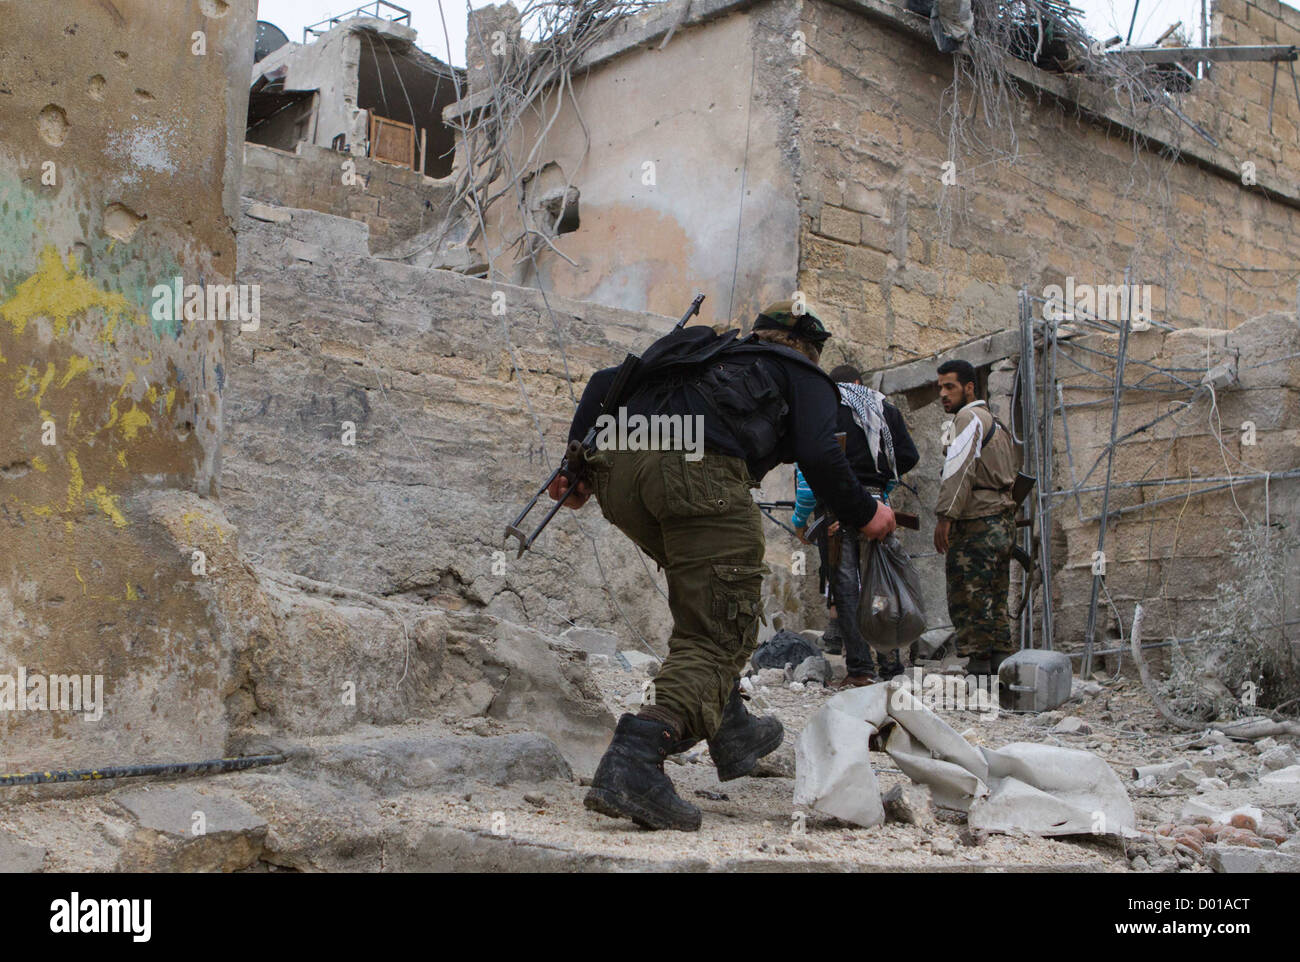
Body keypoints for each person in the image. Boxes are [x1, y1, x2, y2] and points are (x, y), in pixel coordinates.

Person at [548, 301, 896, 831]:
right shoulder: (802, 374)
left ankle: (731, 726)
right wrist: (867, 513)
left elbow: (602, 382)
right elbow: (822, 457)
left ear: (759, 334)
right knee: (719, 629)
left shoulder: (702, 355)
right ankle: (636, 757)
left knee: (708, 598)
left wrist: (572, 470)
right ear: (808, 347)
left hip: (617, 472)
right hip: (695, 475)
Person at [791, 365, 919, 686]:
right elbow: (907, 456)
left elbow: (810, 470)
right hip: (879, 508)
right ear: (859, 382)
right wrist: (882, 486)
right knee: (880, 587)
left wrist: (799, 520)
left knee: (846, 589)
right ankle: (891, 665)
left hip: (838, 509)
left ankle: (860, 669)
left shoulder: (827, 408)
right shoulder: (884, 409)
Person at [933, 359, 1019, 676]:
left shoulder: (968, 417)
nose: (943, 393)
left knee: (969, 594)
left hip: (977, 523)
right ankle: (999, 668)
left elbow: (958, 471)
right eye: (940, 387)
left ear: (969, 388)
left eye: (950, 386)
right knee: (994, 595)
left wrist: (945, 517)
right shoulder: (994, 423)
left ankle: (979, 669)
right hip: (1001, 521)